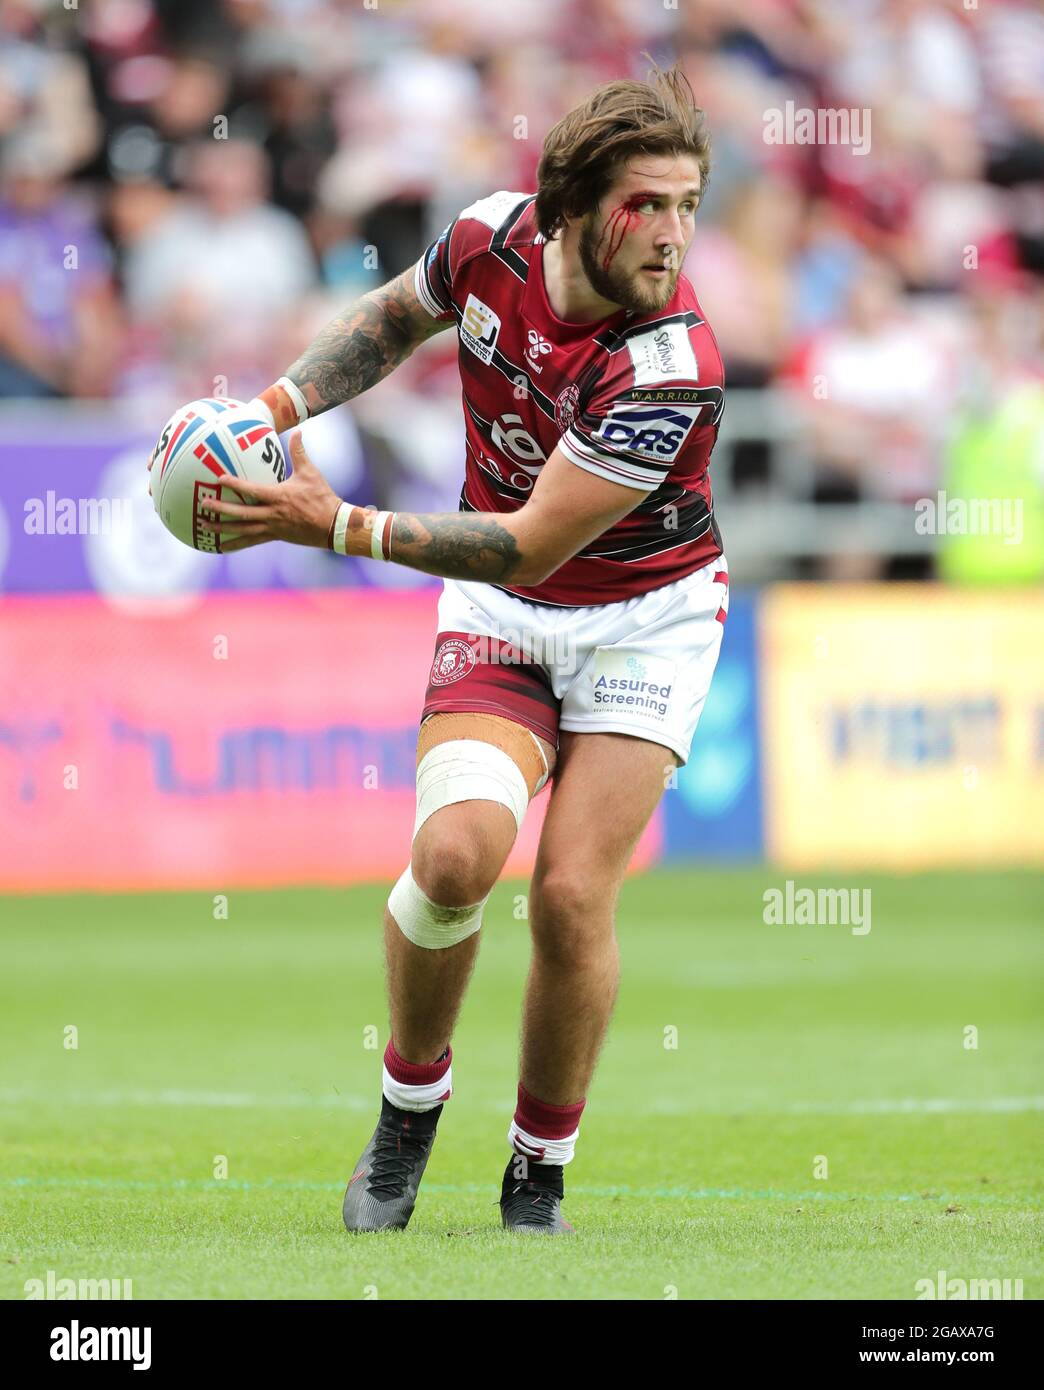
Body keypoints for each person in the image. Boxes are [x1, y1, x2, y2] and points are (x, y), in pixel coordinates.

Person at [165, 65, 729, 1235]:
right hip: (505, 623)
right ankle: (408, 1109)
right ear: (573, 206)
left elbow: (525, 545)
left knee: (572, 896)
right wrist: (264, 418)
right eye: (649, 204)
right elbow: (388, 321)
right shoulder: (490, 238)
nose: (674, 235)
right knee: (458, 858)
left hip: (645, 617)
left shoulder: (672, 368)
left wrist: (342, 525)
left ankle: (537, 1172)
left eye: (688, 206)